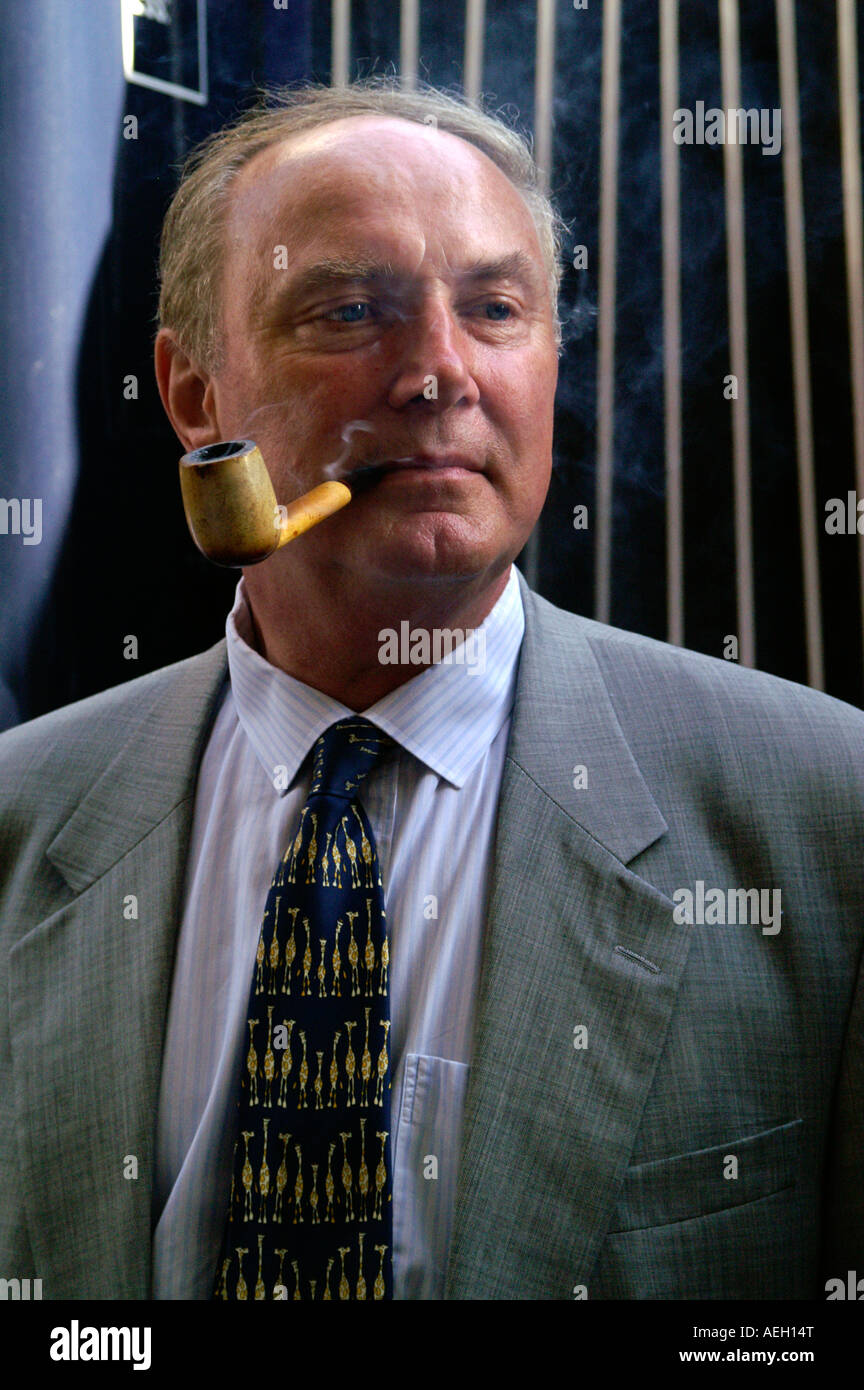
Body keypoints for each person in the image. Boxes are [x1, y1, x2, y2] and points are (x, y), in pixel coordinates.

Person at [0, 78, 862, 1302]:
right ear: (194, 393)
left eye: (496, 308)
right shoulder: (21, 820)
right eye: (353, 310)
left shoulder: (827, 817)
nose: (442, 374)